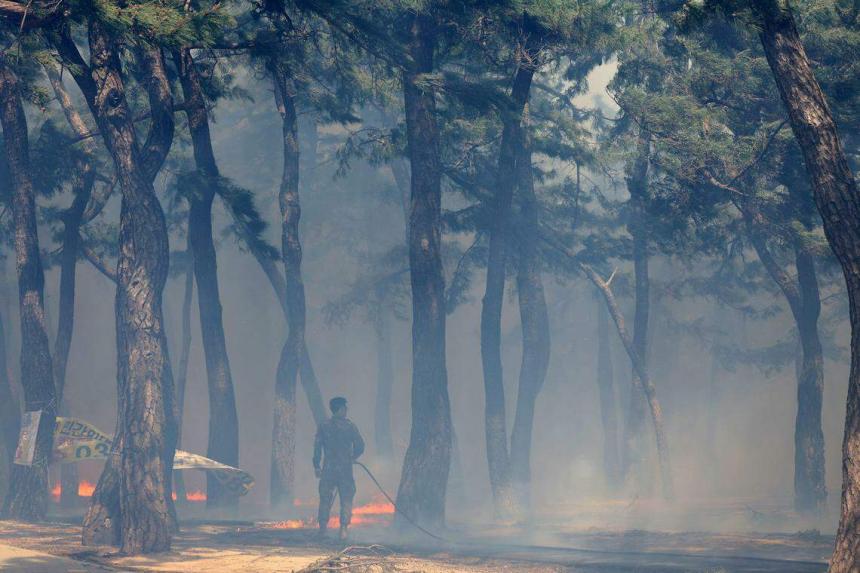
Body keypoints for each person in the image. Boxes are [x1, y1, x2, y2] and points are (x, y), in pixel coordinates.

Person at [313, 396, 365, 539]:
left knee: (325, 498)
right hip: (345, 469)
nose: (347, 410)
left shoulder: (323, 426)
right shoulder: (350, 426)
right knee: (346, 498)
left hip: (328, 469)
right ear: (341, 409)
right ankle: (343, 530)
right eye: (345, 408)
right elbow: (360, 446)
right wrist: (353, 457)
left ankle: (322, 529)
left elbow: (317, 447)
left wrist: (316, 466)